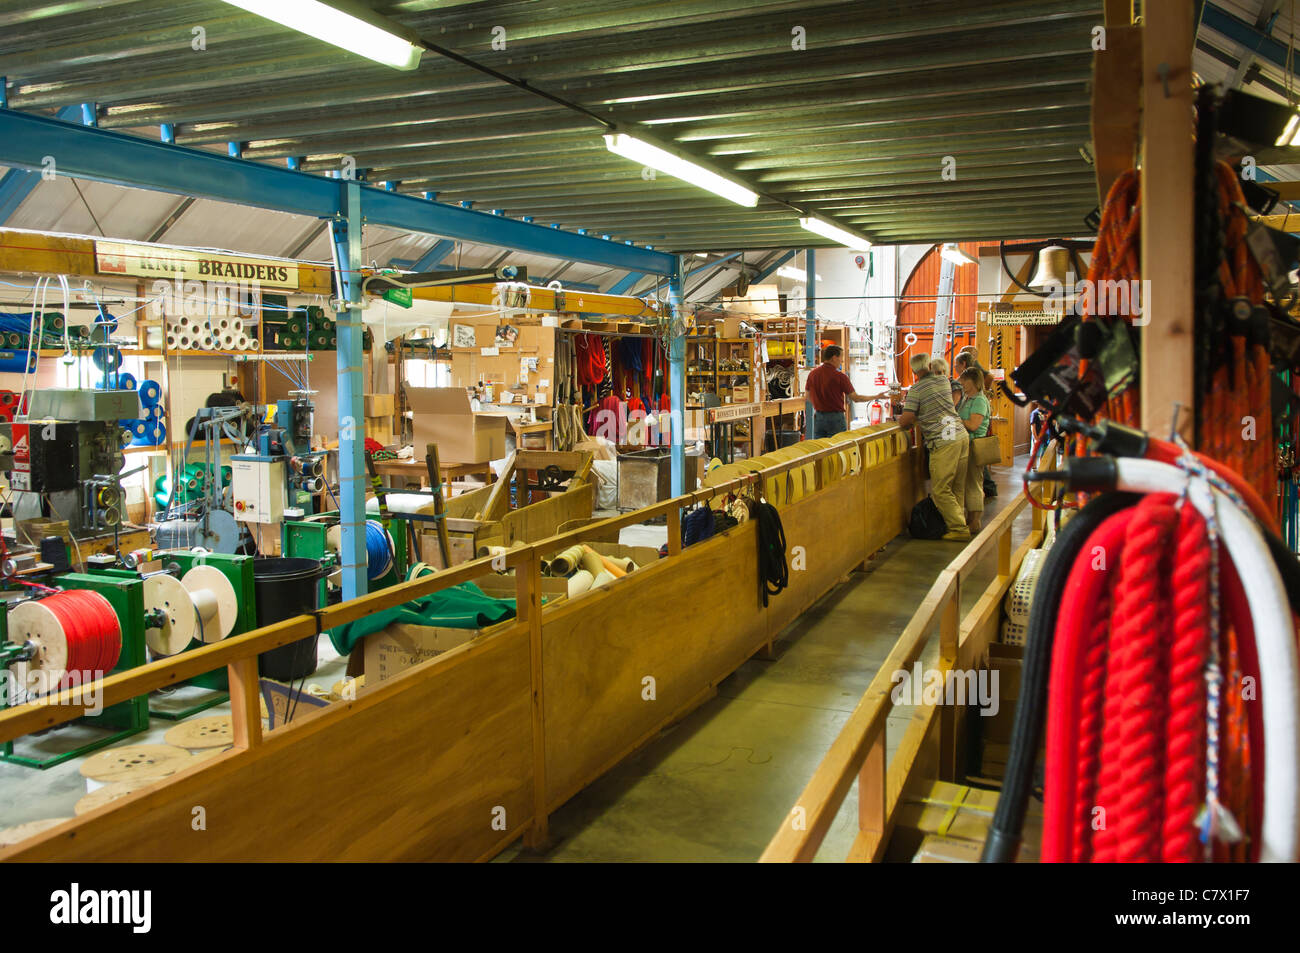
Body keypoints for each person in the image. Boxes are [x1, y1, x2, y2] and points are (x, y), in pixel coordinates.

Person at [899, 352, 970, 541]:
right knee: (957, 486)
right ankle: (958, 521)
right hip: (960, 434)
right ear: (930, 366)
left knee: (940, 489)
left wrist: (909, 415)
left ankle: (959, 528)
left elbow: (905, 421)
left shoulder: (916, 390)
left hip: (943, 440)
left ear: (914, 371)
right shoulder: (943, 382)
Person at [805, 345, 888, 439]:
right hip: (835, 419)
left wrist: (820, 405)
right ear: (834, 358)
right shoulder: (840, 376)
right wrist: (876, 396)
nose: (842, 361)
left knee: (819, 448)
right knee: (838, 448)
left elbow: (807, 397)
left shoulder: (812, 374)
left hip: (819, 417)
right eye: (841, 357)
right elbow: (856, 398)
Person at [957, 367, 990, 533]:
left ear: (973, 381)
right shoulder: (967, 399)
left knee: (974, 483)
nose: (961, 383)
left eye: (964, 380)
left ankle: (975, 520)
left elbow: (973, 425)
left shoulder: (979, 401)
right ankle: (970, 518)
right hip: (966, 445)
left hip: (974, 445)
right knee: (968, 483)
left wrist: (957, 419)